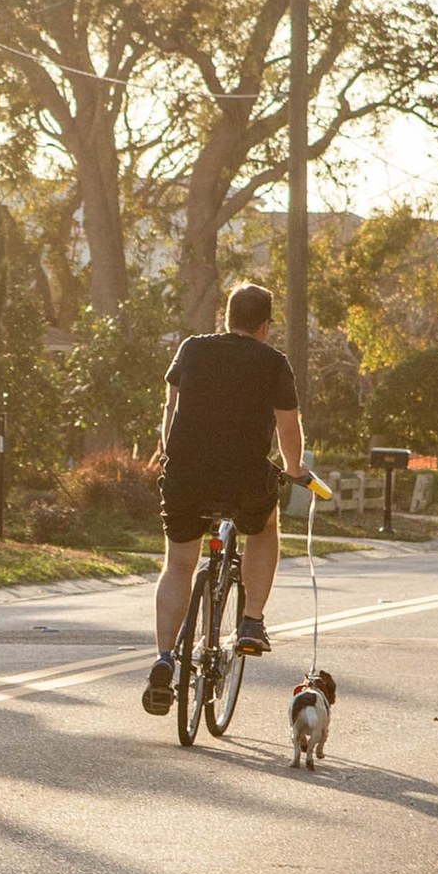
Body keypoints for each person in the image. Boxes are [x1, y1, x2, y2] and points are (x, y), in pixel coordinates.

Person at [142, 281, 305, 716]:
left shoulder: (192, 349)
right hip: (244, 478)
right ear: (265, 326)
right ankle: (251, 620)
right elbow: (288, 428)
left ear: (227, 317)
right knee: (264, 527)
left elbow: (170, 409)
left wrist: (170, 456)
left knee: (179, 563)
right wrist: (294, 469)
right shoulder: (273, 362)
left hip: (186, 476)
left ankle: (164, 657)